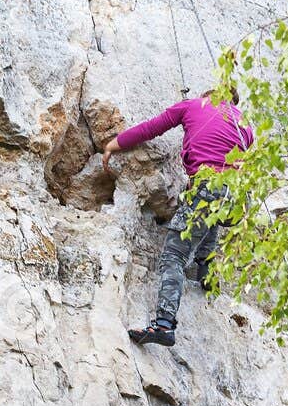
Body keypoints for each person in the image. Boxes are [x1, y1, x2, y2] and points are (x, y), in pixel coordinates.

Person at [101, 87, 254, 347]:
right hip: (239, 197)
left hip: (208, 186)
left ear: (210, 94)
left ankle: (163, 325)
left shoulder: (192, 105)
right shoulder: (245, 125)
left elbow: (152, 128)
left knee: (174, 255)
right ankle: (206, 272)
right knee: (212, 213)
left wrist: (113, 144)